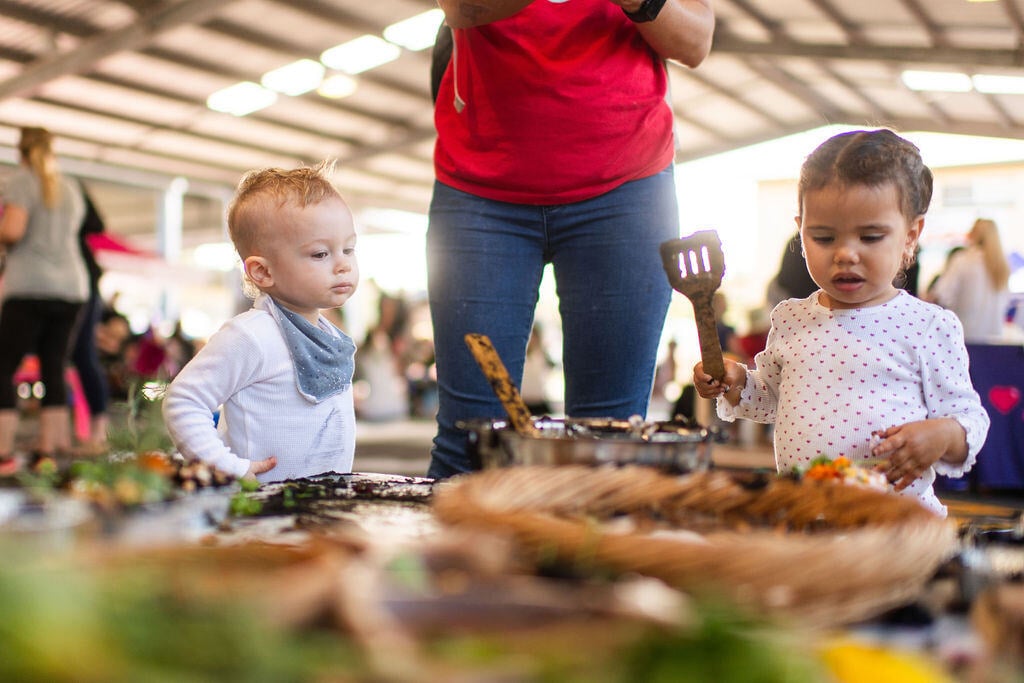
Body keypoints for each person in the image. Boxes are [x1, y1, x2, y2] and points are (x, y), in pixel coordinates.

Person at [426, 0, 716, 478]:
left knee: (609, 439)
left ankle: (582, 553)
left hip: (626, 189)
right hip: (480, 190)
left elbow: (696, 40)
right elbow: (461, 8)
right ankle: (457, 556)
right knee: (468, 439)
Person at [692, 129, 990, 517]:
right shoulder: (791, 318)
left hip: (895, 521)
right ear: (801, 231)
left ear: (910, 236)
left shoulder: (927, 326)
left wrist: (943, 434)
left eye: (870, 236)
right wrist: (735, 382)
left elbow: (971, 419)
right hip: (807, 514)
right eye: (823, 237)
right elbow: (771, 399)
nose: (846, 254)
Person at [163, 163, 359, 483]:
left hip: (323, 508)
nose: (343, 265)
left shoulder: (329, 336)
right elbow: (184, 402)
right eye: (320, 254)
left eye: (349, 249)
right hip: (264, 514)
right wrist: (226, 468)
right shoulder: (252, 335)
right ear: (263, 272)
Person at [0, 127, 90, 471]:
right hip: (71, 287)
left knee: (3, 366)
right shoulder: (70, 187)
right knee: (54, 366)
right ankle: (49, 451)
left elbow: (12, 231)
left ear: (21, 151)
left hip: (29, 286)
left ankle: (3, 452)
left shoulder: (21, 181)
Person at [71, 185, 111, 452]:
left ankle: (99, 430)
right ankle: (83, 431)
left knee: (83, 356)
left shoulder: (69, 187)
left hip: (82, 285)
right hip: (77, 285)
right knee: (67, 359)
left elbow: (97, 224)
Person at [928, 218, 1010, 343]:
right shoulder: (1002, 266)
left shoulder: (962, 260)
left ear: (973, 234)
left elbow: (940, 295)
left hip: (965, 338)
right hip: (995, 340)